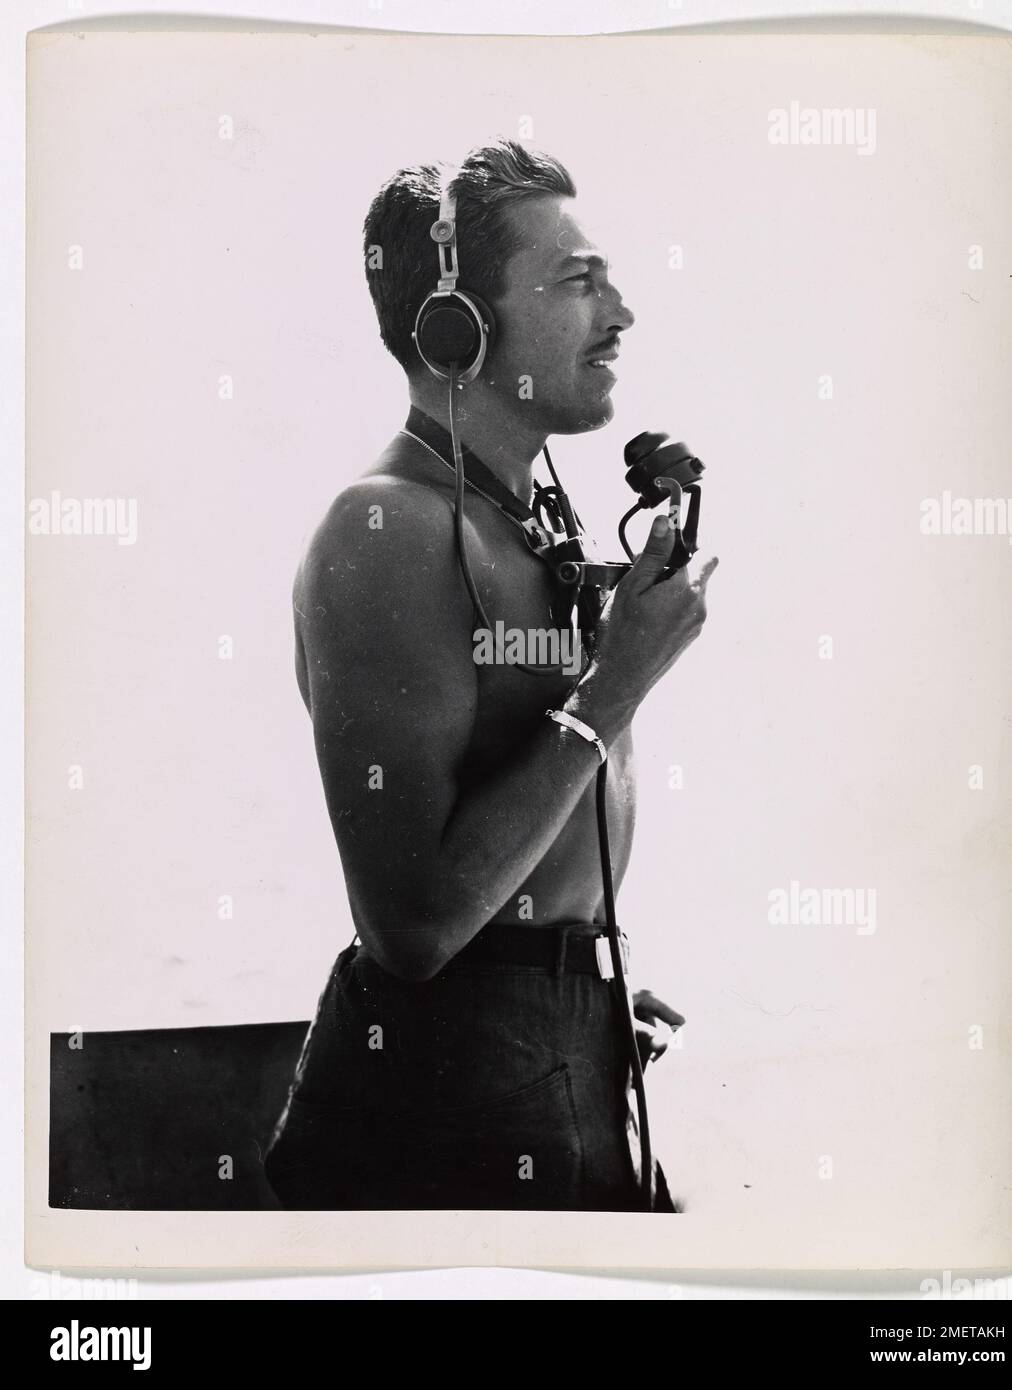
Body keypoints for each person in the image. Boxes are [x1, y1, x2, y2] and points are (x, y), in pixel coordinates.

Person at [263, 140, 719, 1211]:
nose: (620, 311)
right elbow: (412, 929)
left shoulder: (518, 522)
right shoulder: (385, 532)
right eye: (577, 281)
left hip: (555, 1062)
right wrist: (612, 687)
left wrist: (573, 995)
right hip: (442, 1121)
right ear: (455, 329)